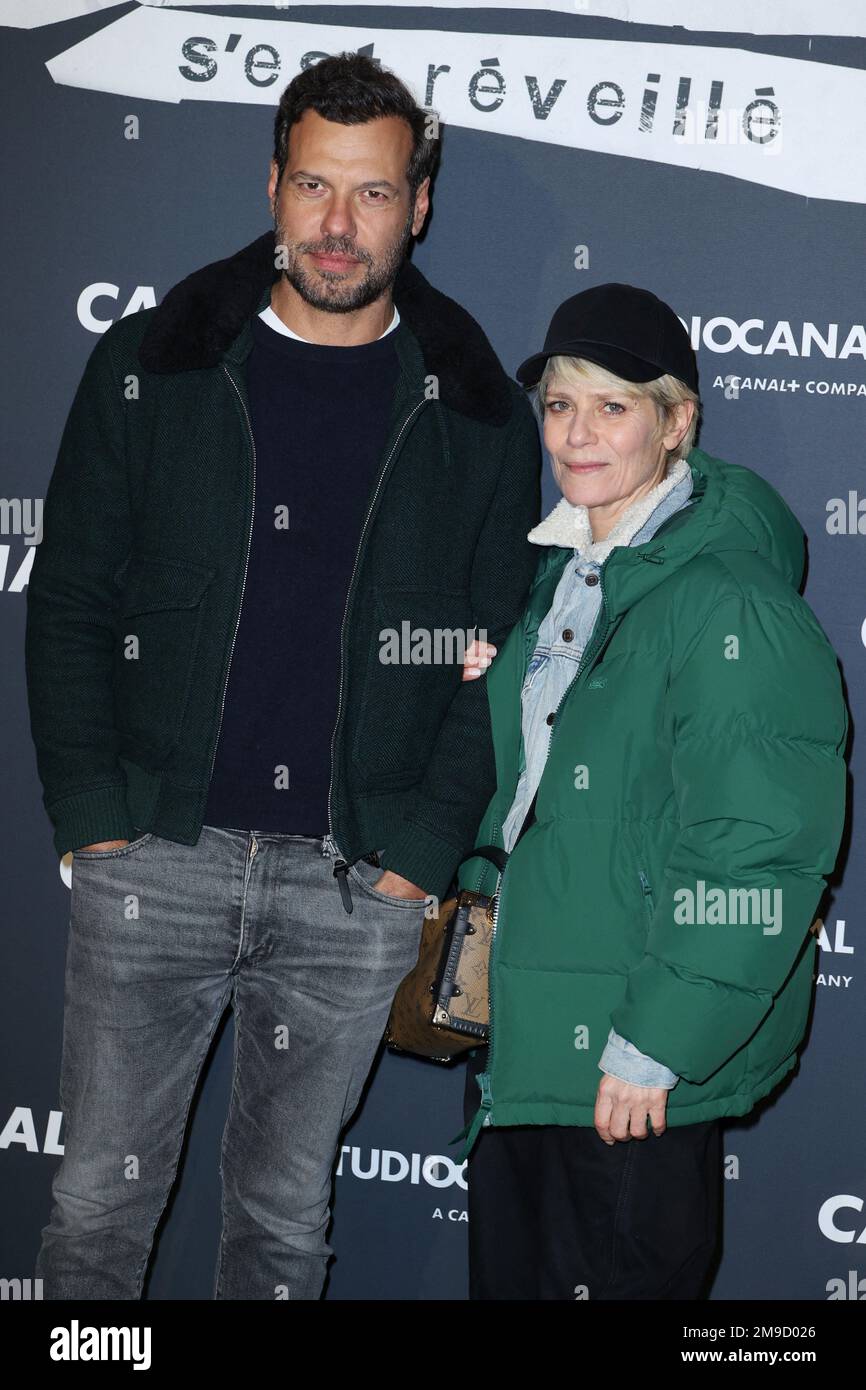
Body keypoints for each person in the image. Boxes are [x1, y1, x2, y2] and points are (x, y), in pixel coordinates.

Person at [24, 52, 541, 1299]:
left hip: (351, 887)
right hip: (158, 856)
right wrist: (98, 824)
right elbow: (73, 596)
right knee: (96, 1211)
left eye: (370, 194)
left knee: (278, 1226)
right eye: (313, 184)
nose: (335, 224)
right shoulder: (158, 363)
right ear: (271, 183)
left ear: (416, 202)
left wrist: (414, 856)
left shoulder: (474, 411)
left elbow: (497, 656)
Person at [456, 282, 849, 1300]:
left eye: (610, 405)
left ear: (676, 422)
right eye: (556, 404)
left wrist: (655, 1044)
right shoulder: (557, 580)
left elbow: (759, 851)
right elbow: (532, 804)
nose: (575, 434)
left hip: (627, 1067)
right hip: (531, 1045)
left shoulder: (728, 600)